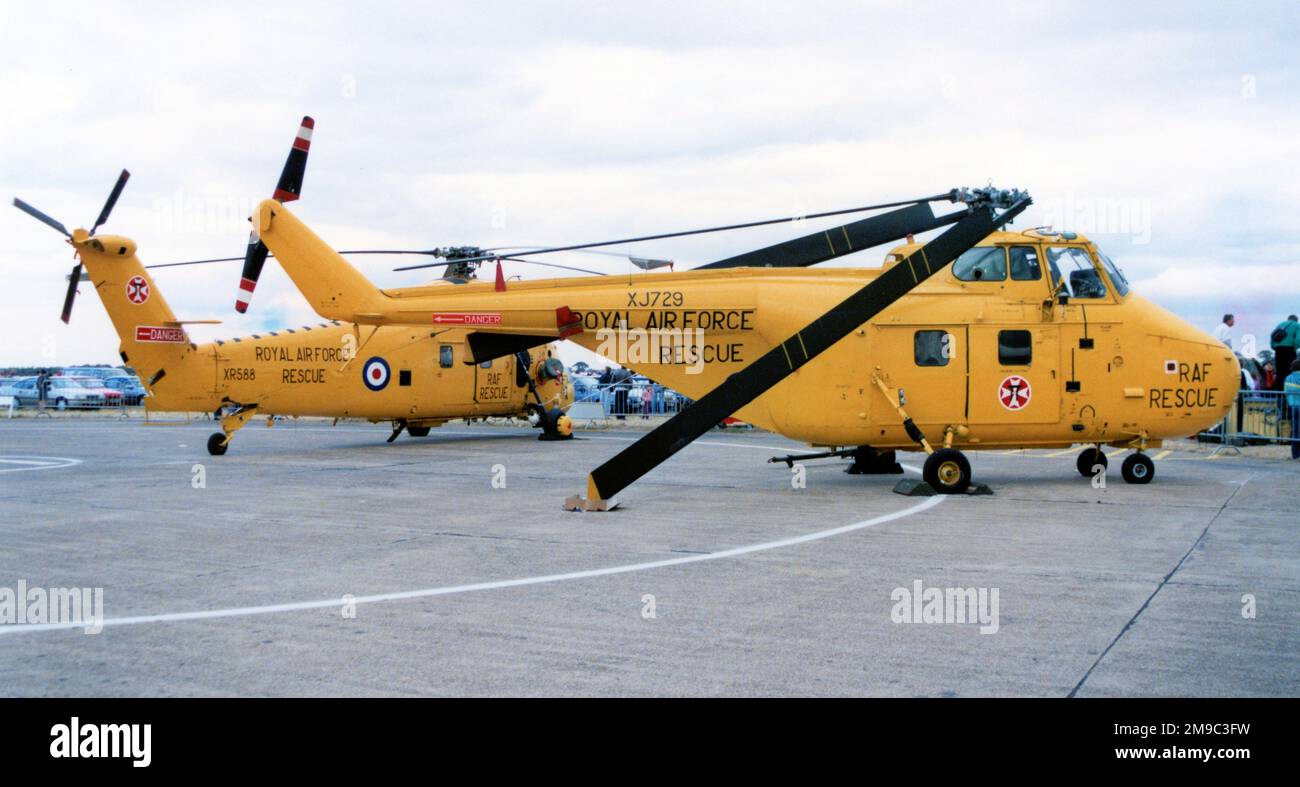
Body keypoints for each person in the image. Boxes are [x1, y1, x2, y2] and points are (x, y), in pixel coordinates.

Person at [1271, 315, 1299, 392]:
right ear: (1296, 320)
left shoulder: (1280, 325)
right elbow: (1298, 339)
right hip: (1289, 349)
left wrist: (1274, 347)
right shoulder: (1297, 325)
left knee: (1279, 373)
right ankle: (1289, 393)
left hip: (1278, 350)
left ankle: (1279, 395)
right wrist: (1295, 347)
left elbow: (1272, 336)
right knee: (1290, 371)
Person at [1285, 359, 1300, 459]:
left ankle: (1295, 454)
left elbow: (1285, 393)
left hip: (1292, 406)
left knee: (1295, 431)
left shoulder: (1288, 378)